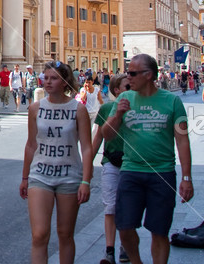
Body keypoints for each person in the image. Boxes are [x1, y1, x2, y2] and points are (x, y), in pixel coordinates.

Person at [102, 54, 192, 264]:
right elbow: (107, 134)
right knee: (124, 227)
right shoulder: (125, 100)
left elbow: (182, 141)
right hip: (131, 171)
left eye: (132, 73)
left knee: (159, 231)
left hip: (162, 173)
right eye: (127, 73)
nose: (128, 77)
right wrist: (118, 116)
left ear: (149, 75)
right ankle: (136, 261)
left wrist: (186, 178)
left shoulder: (172, 101)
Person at [20, 60, 94, 263]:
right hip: (40, 175)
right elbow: (30, 145)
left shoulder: (78, 109)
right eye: (46, 78)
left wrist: (86, 181)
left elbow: (86, 148)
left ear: (64, 82)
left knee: (65, 233)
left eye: (54, 78)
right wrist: (25, 177)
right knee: (39, 235)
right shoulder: (35, 108)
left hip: (69, 177)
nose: (48, 82)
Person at [92, 74, 131, 264]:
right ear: (117, 90)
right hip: (111, 161)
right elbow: (97, 139)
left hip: (133, 164)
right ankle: (109, 250)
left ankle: (125, 246)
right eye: (127, 87)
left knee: (128, 207)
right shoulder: (106, 108)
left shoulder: (139, 109)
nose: (131, 89)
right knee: (111, 207)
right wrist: (86, 169)